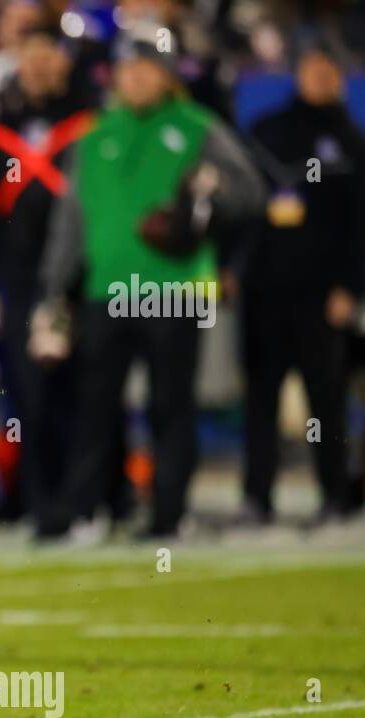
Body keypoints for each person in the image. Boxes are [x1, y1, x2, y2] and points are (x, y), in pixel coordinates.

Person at [38, 21, 265, 540]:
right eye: (128, 69)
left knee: (170, 404)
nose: (137, 78)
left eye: (147, 68)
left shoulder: (196, 126)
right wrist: (53, 289)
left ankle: (169, 514)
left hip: (173, 288)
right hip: (105, 289)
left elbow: (251, 191)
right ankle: (89, 510)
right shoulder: (93, 135)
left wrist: (210, 196)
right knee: (96, 406)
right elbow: (70, 220)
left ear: (167, 75)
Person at [0, 23, 96, 536]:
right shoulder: (4, 120)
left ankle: (87, 503)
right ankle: (41, 505)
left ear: (64, 62)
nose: (41, 66)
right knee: (27, 393)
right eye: (32, 57)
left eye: (50, 56)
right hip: (19, 275)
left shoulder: (88, 117)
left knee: (81, 388)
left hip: (77, 271)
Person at [240, 40, 365, 525]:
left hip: (322, 293)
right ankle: (257, 497)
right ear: (297, 72)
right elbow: (246, 209)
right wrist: (237, 269)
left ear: (339, 76)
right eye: (311, 67)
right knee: (260, 399)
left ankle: (334, 494)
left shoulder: (352, 142)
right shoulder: (265, 132)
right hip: (265, 290)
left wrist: (350, 288)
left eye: (327, 69)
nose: (319, 77)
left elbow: (360, 225)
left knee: (325, 403)